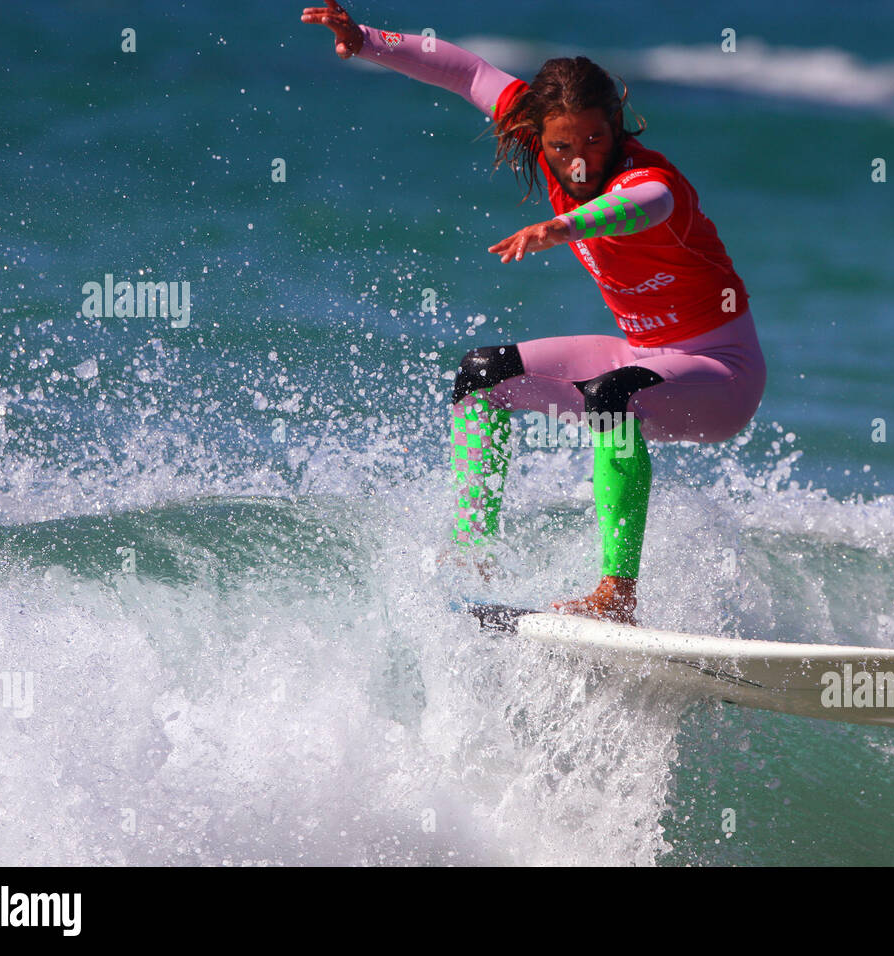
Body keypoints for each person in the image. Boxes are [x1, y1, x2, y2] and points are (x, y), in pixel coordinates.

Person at [304, 2, 766, 624]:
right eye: (562, 145)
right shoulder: (537, 131)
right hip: (640, 355)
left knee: (613, 396)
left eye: (596, 140)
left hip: (719, 374)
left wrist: (561, 225)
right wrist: (365, 41)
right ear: (539, 134)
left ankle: (616, 594)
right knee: (482, 375)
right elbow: (466, 73)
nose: (579, 162)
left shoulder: (652, 181)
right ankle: (472, 553)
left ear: (617, 128)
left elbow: (640, 208)